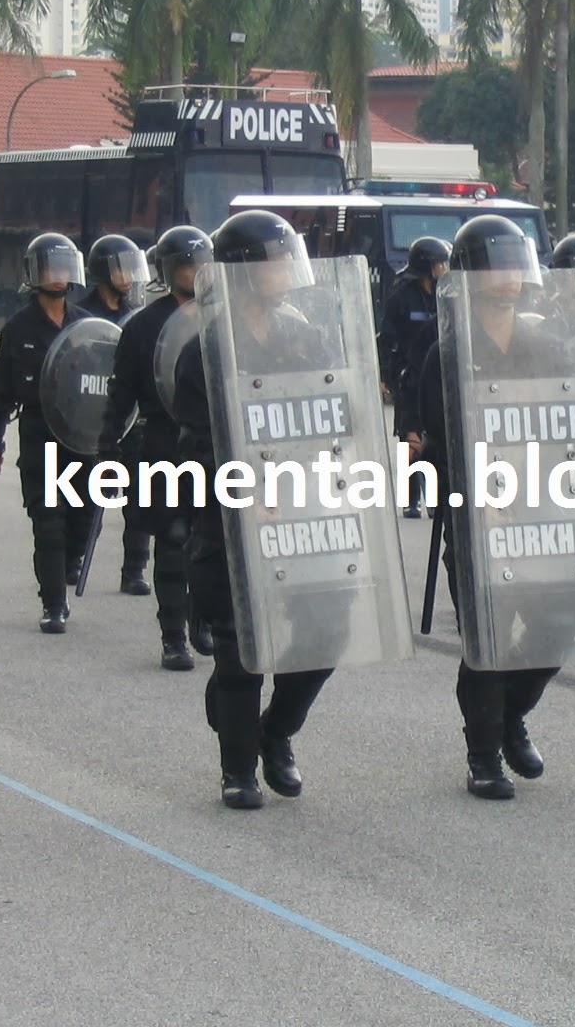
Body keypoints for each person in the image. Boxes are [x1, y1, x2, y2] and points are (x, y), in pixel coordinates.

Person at [418, 215, 575, 800]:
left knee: (562, 621)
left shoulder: (547, 345)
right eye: (497, 265)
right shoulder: (446, 354)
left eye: (516, 264)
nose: (511, 277)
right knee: (487, 640)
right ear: (469, 275)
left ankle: (512, 714)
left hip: (545, 518)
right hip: (481, 525)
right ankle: (483, 754)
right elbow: (439, 452)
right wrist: (476, 500)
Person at [170, 210, 339, 810]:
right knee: (241, 651)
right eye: (273, 258)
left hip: (302, 515)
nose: (285, 269)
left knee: (325, 634)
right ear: (243, 271)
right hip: (232, 522)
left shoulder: (305, 338)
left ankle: (276, 733)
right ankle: (238, 770)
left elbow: (329, 418)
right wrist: (245, 492)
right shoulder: (205, 352)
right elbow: (196, 445)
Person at [98, 225, 215, 671]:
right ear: (168, 271)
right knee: (171, 538)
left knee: (208, 540)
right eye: (186, 266)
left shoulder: (222, 316)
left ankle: (203, 619)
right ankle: (173, 637)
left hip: (212, 444)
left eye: (201, 264)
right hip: (163, 439)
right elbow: (122, 389)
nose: (195, 273)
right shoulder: (144, 325)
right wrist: (108, 446)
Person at [0, 233, 94, 634]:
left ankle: (67, 567)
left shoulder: (87, 326)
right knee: (48, 522)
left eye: (64, 268)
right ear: (34, 274)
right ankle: (53, 604)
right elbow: (1, 391)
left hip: (83, 440)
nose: (58, 276)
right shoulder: (17, 328)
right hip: (40, 436)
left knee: (82, 518)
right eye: (50, 268)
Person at [78, 234, 154, 595]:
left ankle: (134, 569)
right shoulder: (83, 315)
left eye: (130, 267)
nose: (127, 276)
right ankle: (76, 556)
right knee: (90, 494)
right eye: (119, 268)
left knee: (139, 498)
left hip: (134, 419)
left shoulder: (138, 316)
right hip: (96, 415)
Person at [377, 236, 450, 519]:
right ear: (426, 267)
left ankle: (434, 497)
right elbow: (388, 339)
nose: (444, 268)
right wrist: (385, 375)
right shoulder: (402, 297)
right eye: (439, 264)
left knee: (434, 440)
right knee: (411, 442)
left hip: (436, 376)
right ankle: (410, 499)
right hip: (410, 377)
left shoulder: (445, 295)